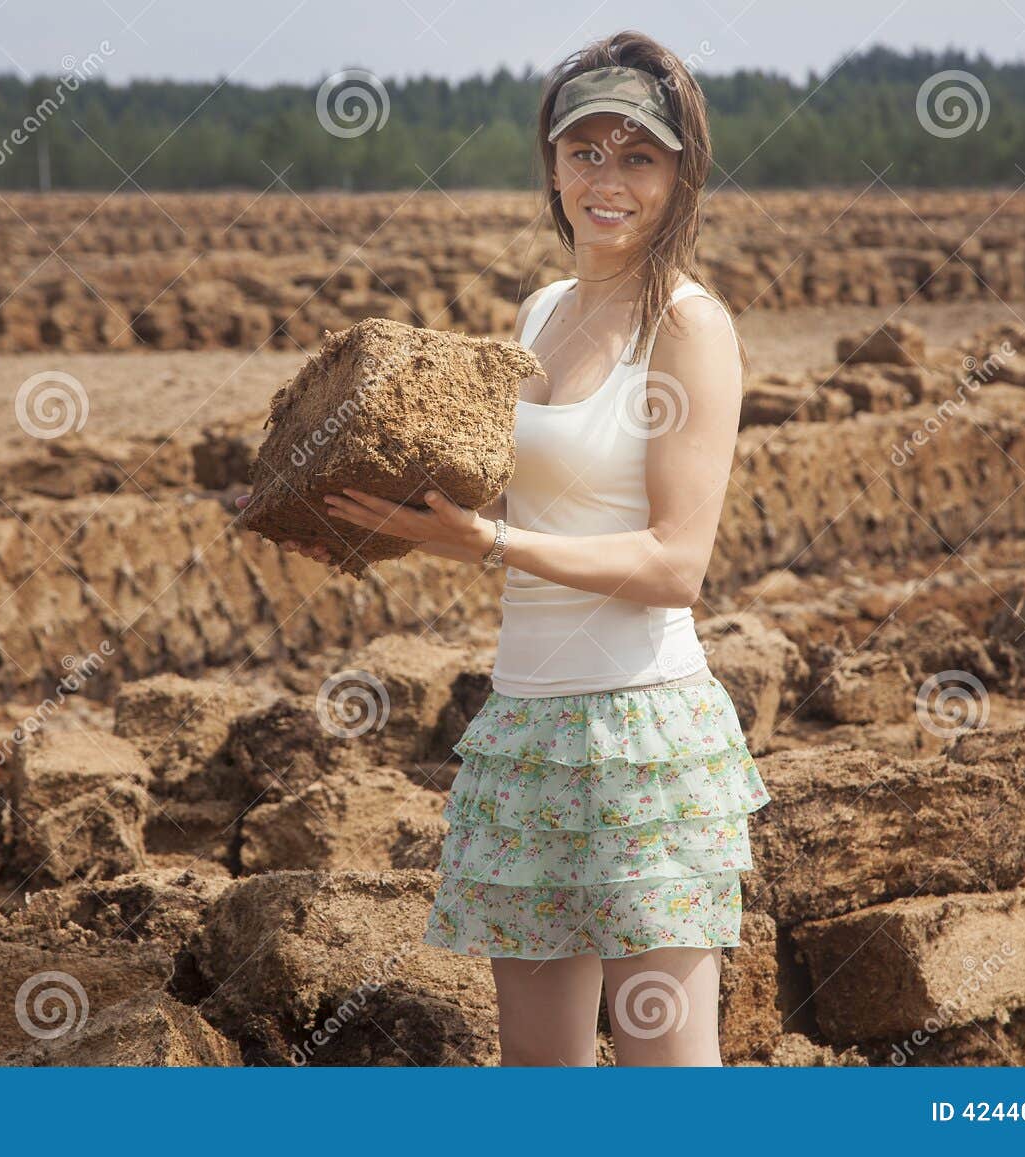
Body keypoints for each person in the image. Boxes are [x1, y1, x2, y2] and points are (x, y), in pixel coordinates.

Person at [237, 29, 769, 1066]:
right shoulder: (543, 311)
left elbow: (674, 564)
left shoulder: (690, 329)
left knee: (670, 1077)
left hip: (641, 736)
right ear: (552, 163)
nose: (604, 180)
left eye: (636, 156)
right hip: (525, 730)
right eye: (585, 152)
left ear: (680, 172)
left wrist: (485, 544)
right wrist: (349, 477)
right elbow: (492, 484)